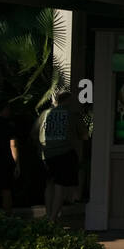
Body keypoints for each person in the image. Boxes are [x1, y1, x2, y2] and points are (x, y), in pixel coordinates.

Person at [38, 91, 89, 222]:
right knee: (60, 185)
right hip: (64, 153)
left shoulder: (45, 114)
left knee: (48, 184)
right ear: (69, 101)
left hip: (47, 154)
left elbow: (35, 133)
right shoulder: (72, 115)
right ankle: (53, 218)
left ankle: (48, 214)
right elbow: (85, 135)